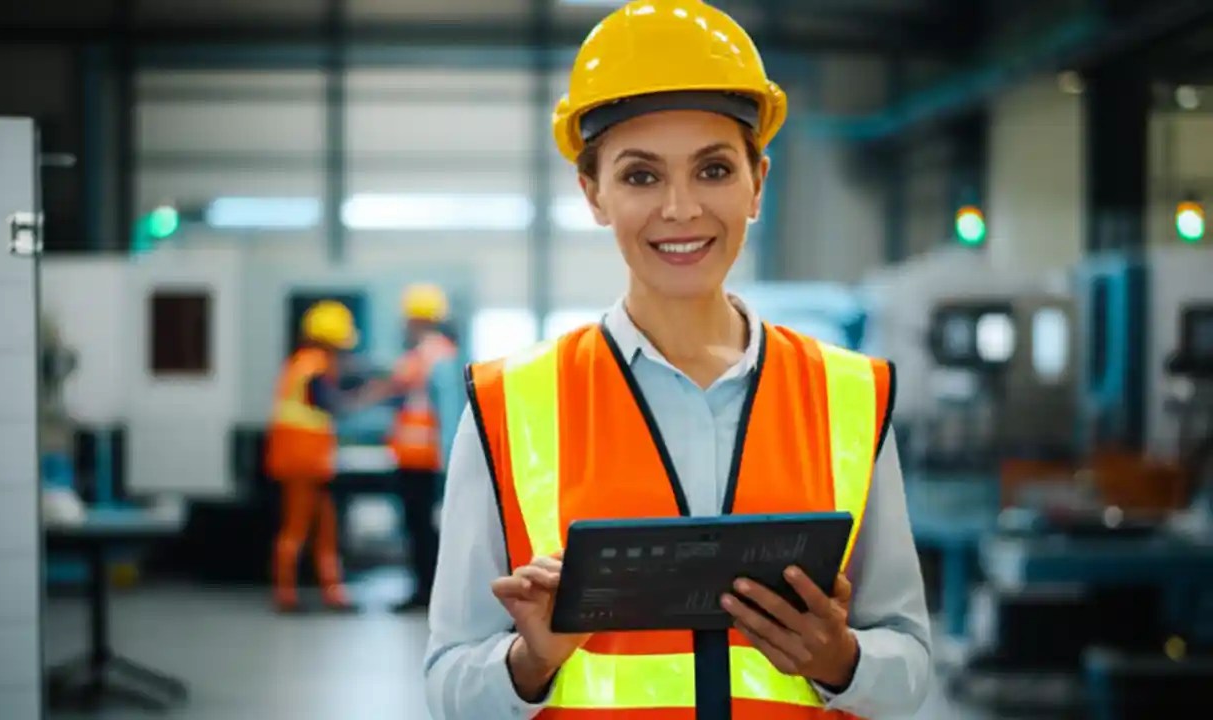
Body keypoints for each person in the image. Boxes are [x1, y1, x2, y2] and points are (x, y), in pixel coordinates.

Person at [423, 1, 932, 719]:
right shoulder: (509, 404)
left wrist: (841, 661)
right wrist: (529, 659)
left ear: (757, 181)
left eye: (714, 169)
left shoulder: (848, 394)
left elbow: (909, 662)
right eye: (640, 176)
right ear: (593, 193)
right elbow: (449, 682)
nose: (681, 208)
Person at [265, 300, 372, 613]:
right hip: (303, 460)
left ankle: (331, 590)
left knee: (324, 527)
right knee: (297, 528)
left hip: (309, 460)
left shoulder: (302, 364)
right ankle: (287, 593)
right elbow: (330, 403)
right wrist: (367, 392)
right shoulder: (313, 366)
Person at [387, 283, 460, 611]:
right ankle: (423, 589)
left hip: (428, 460)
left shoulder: (437, 356)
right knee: (419, 528)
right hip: (416, 458)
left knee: (425, 530)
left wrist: (450, 462)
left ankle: (427, 592)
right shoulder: (422, 356)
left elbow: (449, 411)